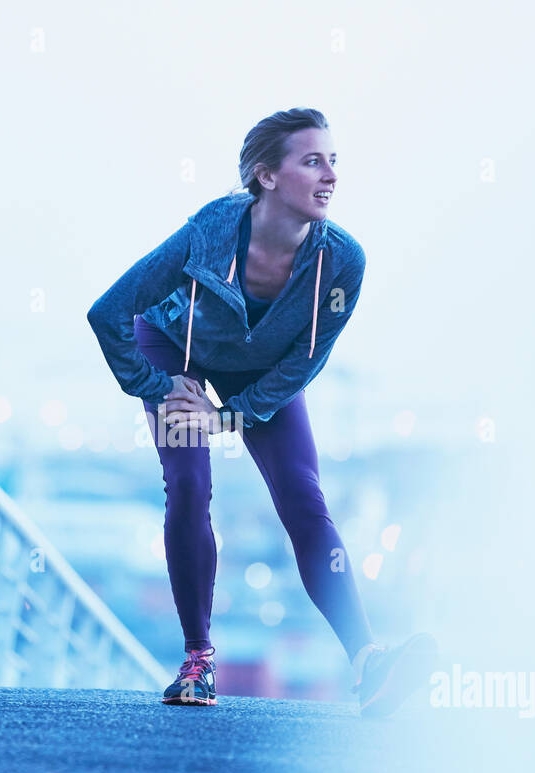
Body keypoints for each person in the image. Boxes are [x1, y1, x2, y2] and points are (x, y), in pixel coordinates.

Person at [87, 108, 435, 716]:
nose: (330, 175)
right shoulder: (211, 229)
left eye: (334, 162)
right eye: (312, 161)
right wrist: (158, 385)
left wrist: (228, 418)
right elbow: (110, 310)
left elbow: (303, 364)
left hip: (264, 369)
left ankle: (368, 663)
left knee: (304, 498)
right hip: (177, 347)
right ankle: (198, 661)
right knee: (190, 487)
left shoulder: (343, 262)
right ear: (266, 176)